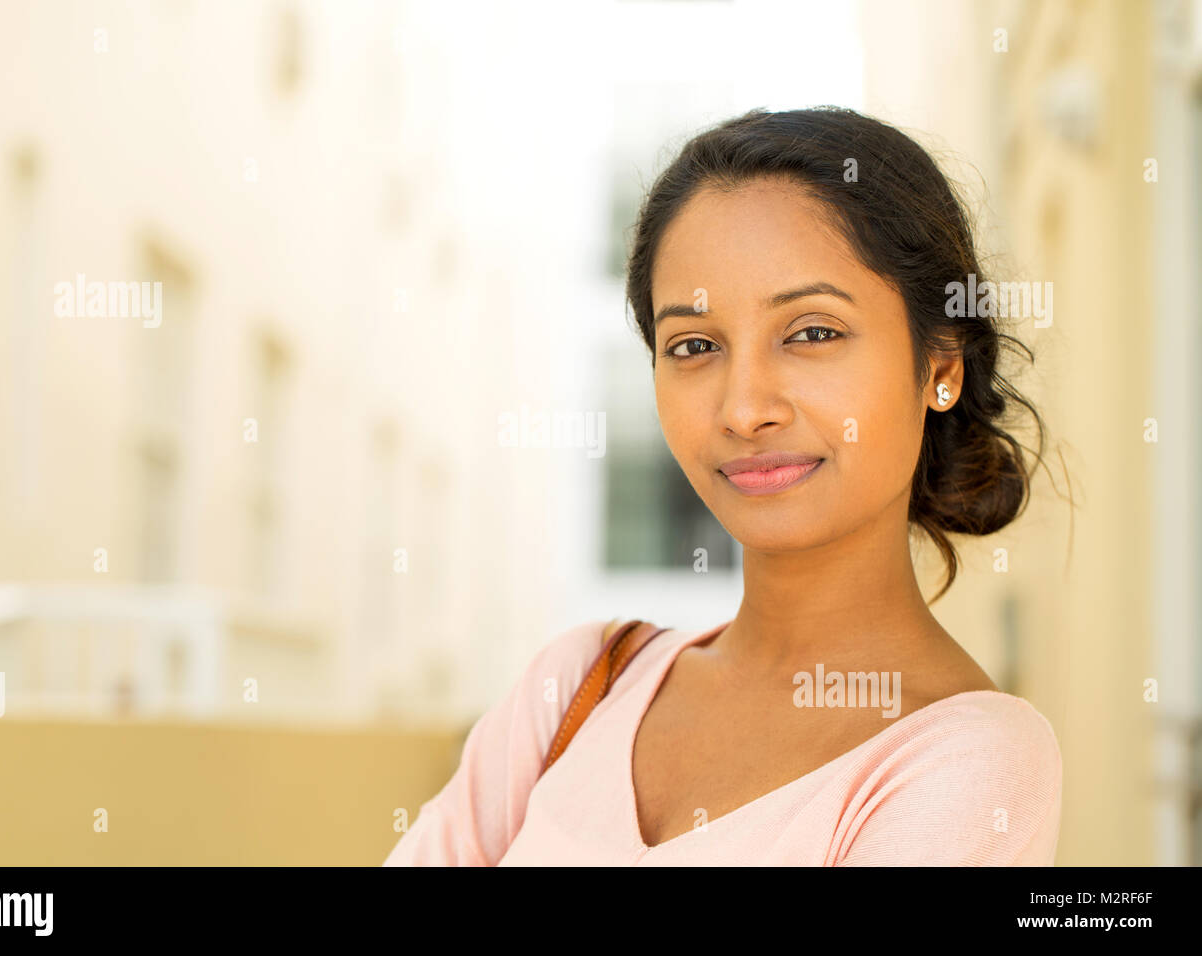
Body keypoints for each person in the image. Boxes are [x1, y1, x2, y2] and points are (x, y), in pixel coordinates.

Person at [384, 106, 1064, 866]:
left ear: (940, 367)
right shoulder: (580, 685)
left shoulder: (970, 763)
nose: (743, 410)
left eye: (812, 332)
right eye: (695, 345)